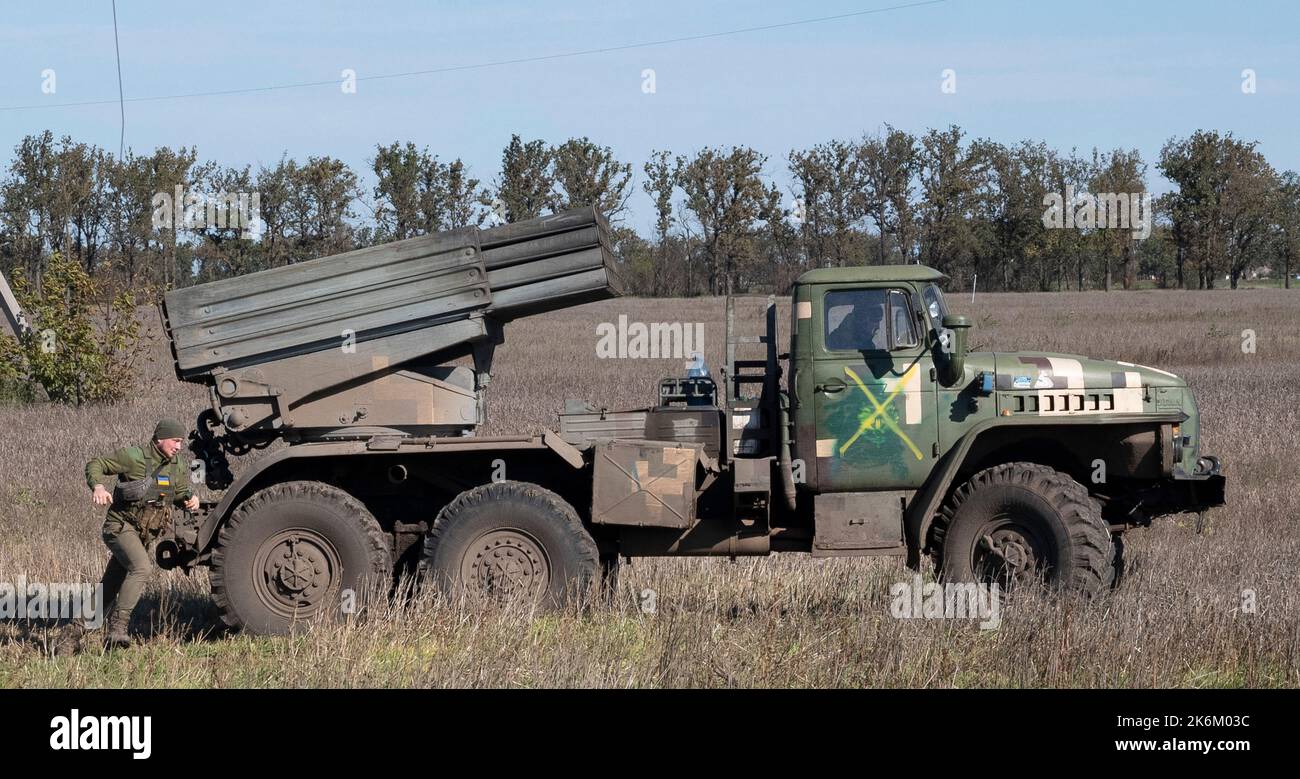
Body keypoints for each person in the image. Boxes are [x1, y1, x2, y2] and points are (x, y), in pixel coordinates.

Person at [86, 418, 199, 648]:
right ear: (160, 439)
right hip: (119, 527)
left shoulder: (176, 464)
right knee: (141, 568)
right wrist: (98, 486)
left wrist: (190, 498)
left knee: (110, 586)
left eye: (181, 442)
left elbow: (179, 492)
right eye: (175, 441)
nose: (179, 447)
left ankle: (73, 632)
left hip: (143, 535)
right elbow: (96, 464)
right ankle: (118, 628)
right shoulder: (134, 457)